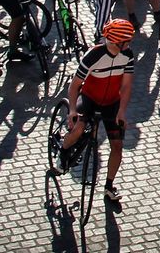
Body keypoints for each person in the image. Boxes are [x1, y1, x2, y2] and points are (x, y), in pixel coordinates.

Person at [51, 18, 135, 203]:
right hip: (89, 99)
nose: (130, 43)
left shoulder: (127, 55)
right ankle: (63, 153)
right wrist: (72, 110)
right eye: (127, 40)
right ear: (117, 41)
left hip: (111, 103)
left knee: (117, 147)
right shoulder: (93, 55)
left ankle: (109, 186)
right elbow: (74, 86)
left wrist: (121, 111)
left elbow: (127, 86)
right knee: (79, 128)